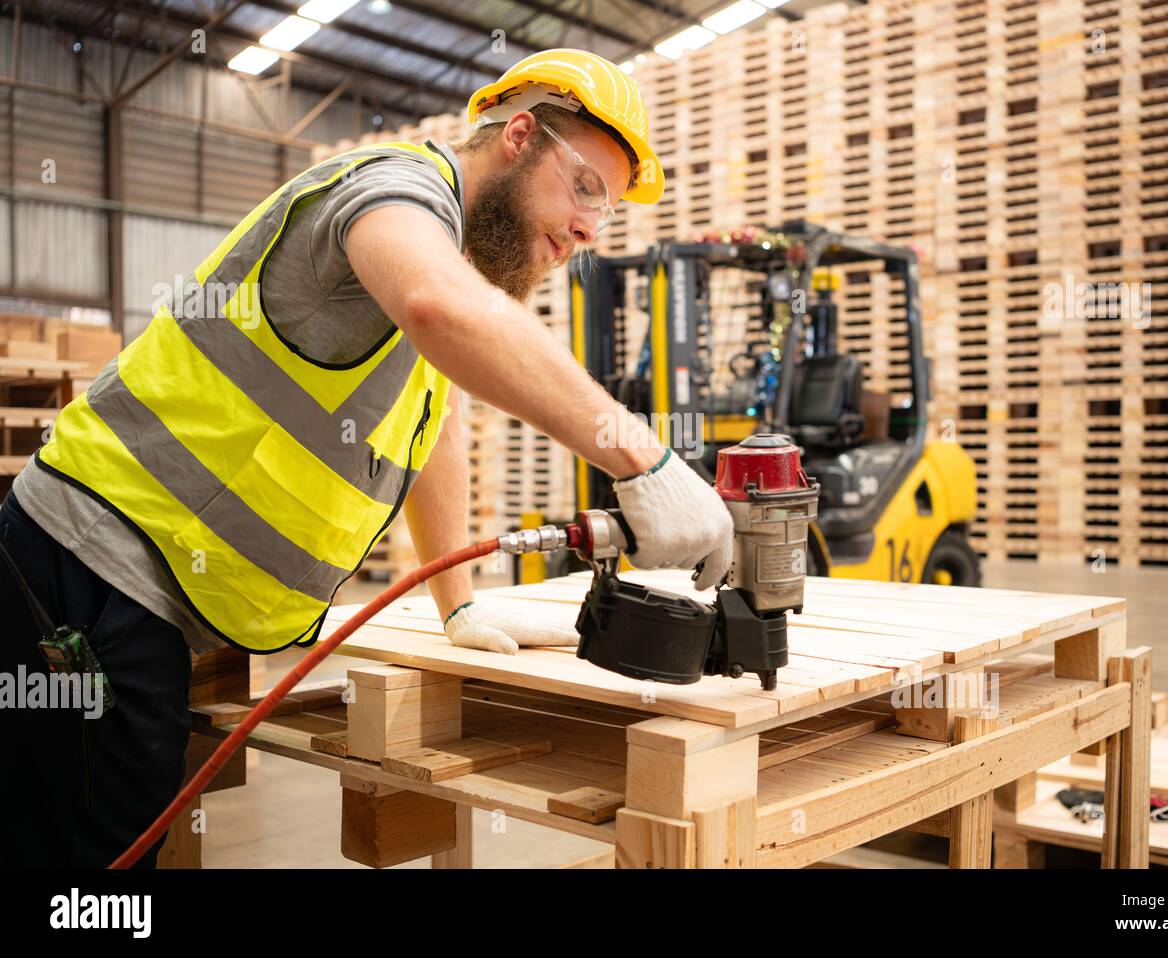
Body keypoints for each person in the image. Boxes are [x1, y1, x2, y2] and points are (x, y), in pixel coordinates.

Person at [0, 49, 733, 868]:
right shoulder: (394, 186)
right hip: (91, 571)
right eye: (587, 187)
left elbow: (437, 426)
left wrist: (461, 607)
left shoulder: (441, 251)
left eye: (609, 212)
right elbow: (439, 308)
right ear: (519, 136)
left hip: (149, 588)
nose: (590, 229)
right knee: (91, 871)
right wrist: (641, 456)